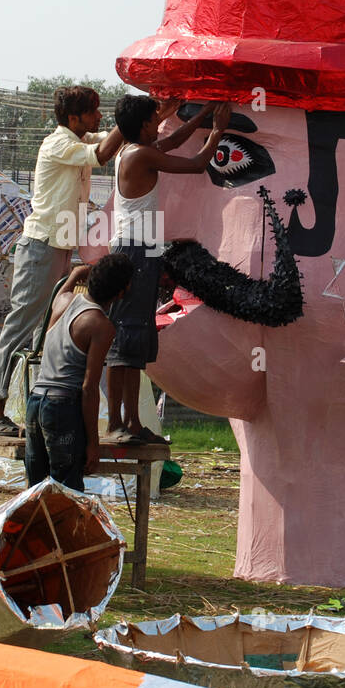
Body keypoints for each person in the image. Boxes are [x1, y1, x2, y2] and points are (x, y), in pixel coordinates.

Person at [0, 86, 124, 436]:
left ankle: (34, 410)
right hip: (42, 244)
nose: (98, 117)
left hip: (58, 246)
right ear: (73, 118)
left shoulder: (79, 136)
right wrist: (129, 117)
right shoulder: (58, 143)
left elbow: (110, 138)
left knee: (46, 332)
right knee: (20, 326)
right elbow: (103, 153)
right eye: (92, 112)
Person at [105, 96, 231, 444]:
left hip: (136, 249)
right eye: (155, 120)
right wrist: (217, 130)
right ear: (145, 125)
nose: (158, 125)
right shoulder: (141, 155)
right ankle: (119, 424)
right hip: (135, 251)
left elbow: (173, 142)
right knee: (127, 339)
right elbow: (195, 163)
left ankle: (130, 423)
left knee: (133, 337)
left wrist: (204, 113)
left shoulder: (130, 152)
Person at [25, 254, 134, 491]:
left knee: (34, 492)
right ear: (122, 292)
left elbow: (67, 283)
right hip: (62, 408)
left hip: (36, 402)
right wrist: (93, 444)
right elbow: (88, 387)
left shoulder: (63, 301)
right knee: (67, 492)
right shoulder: (100, 325)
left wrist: (76, 273)